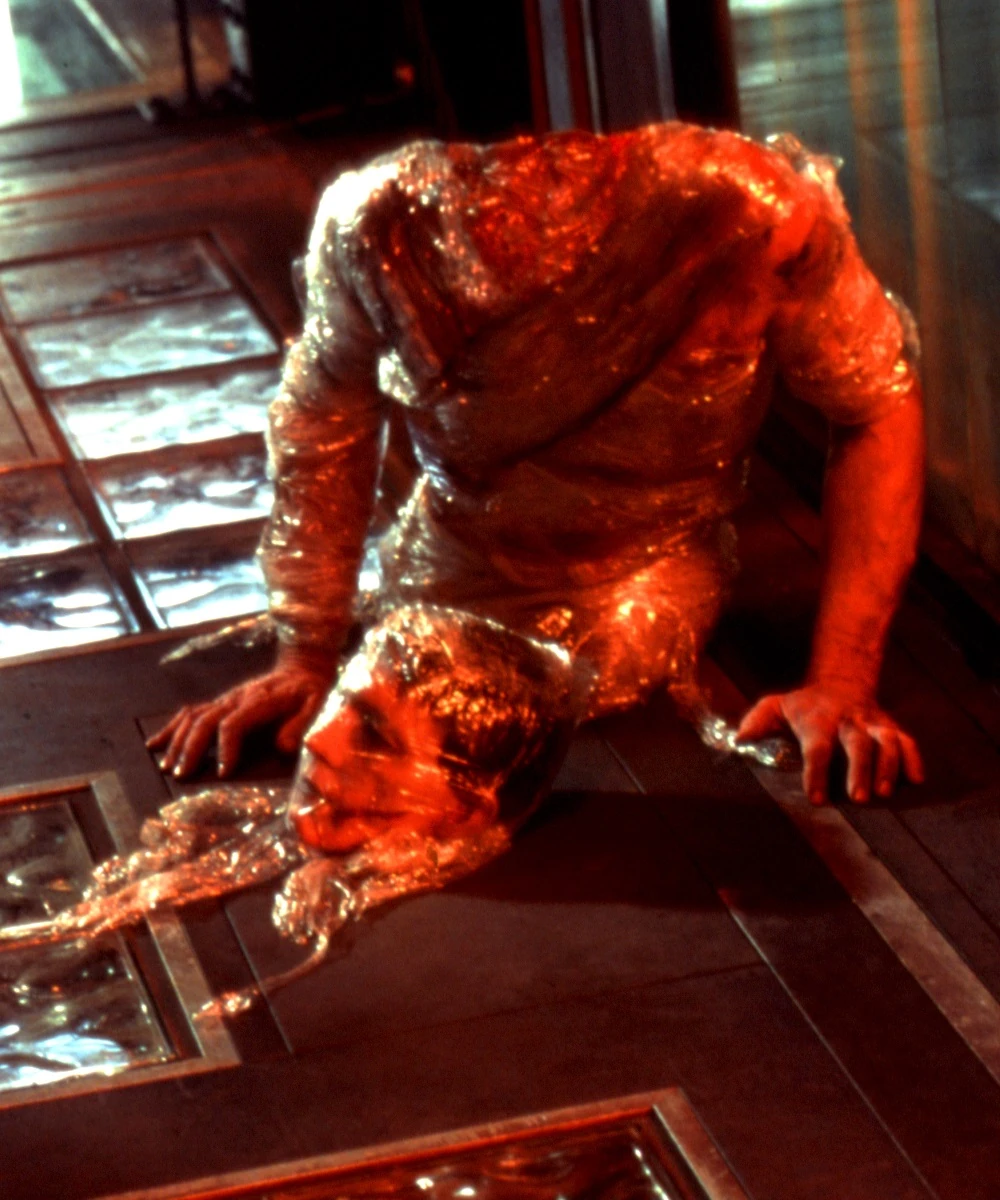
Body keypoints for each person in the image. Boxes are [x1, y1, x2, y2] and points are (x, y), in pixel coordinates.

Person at [149, 122, 925, 809]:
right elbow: (324, 421)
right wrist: (306, 652)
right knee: (353, 793)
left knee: (437, 787)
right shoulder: (373, 233)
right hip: (444, 574)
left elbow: (877, 403)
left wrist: (843, 678)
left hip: (643, 586)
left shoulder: (753, 219)